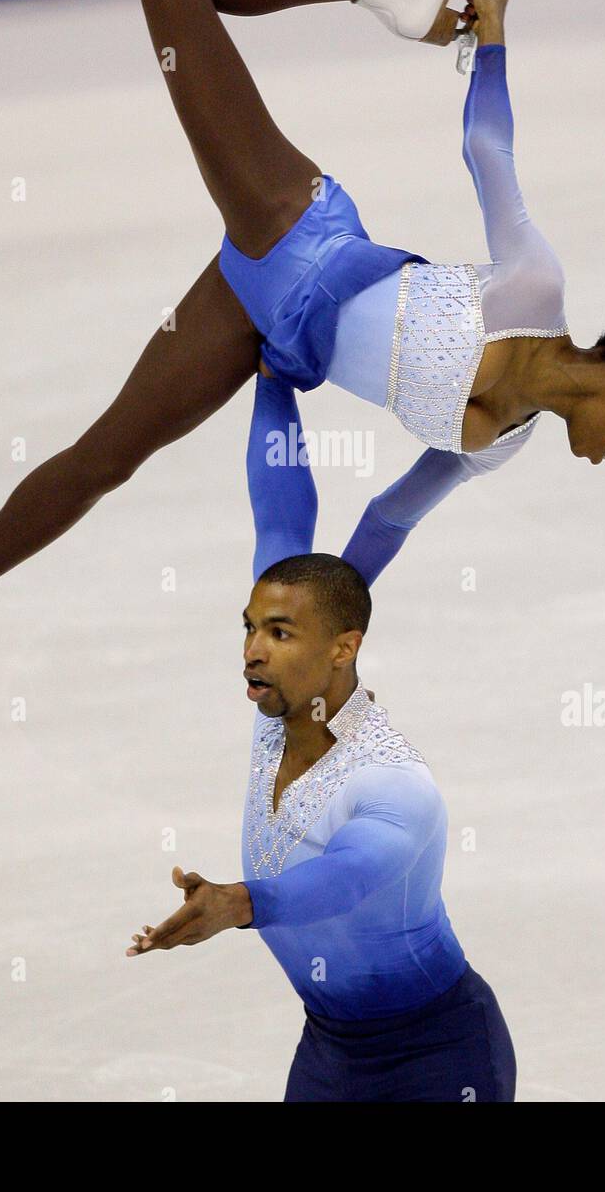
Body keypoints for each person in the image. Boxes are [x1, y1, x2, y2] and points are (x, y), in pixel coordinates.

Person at [0, 0, 605, 724]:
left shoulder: (503, 444)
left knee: (108, 457)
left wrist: (321, 635)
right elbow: (485, 148)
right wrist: (490, 39)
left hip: (260, 318)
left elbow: (387, 520)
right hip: (293, 228)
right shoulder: (532, 291)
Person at [125, 375, 517, 1102]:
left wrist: (239, 903)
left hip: (439, 1060)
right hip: (329, 1054)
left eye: (277, 633)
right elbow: (279, 519)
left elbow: (349, 876)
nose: (251, 649)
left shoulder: (392, 782)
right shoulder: (279, 707)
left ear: (342, 649)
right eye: (248, 627)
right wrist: (271, 374)